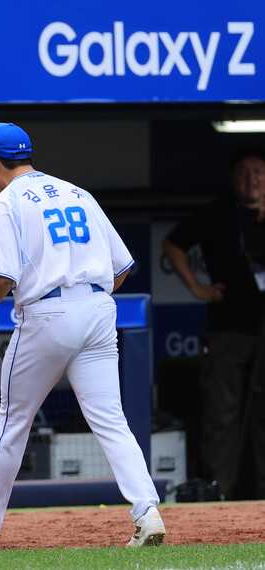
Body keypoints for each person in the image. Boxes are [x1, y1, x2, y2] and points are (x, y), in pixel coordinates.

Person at [0, 123, 165, 550]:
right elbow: (121, 268)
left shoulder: (2, 205)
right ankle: (147, 510)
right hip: (99, 308)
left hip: (47, 312)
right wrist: (86, 295)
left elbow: (1, 278)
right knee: (111, 419)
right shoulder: (78, 192)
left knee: (12, 420)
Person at [162, 144, 265, 500]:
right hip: (228, 328)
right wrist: (197, 287)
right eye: (244, 172)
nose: (252, 179)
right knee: (223, 414)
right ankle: (220, 494)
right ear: (234, 178)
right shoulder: (218, 214)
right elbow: (172, 243)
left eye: (258, 171)